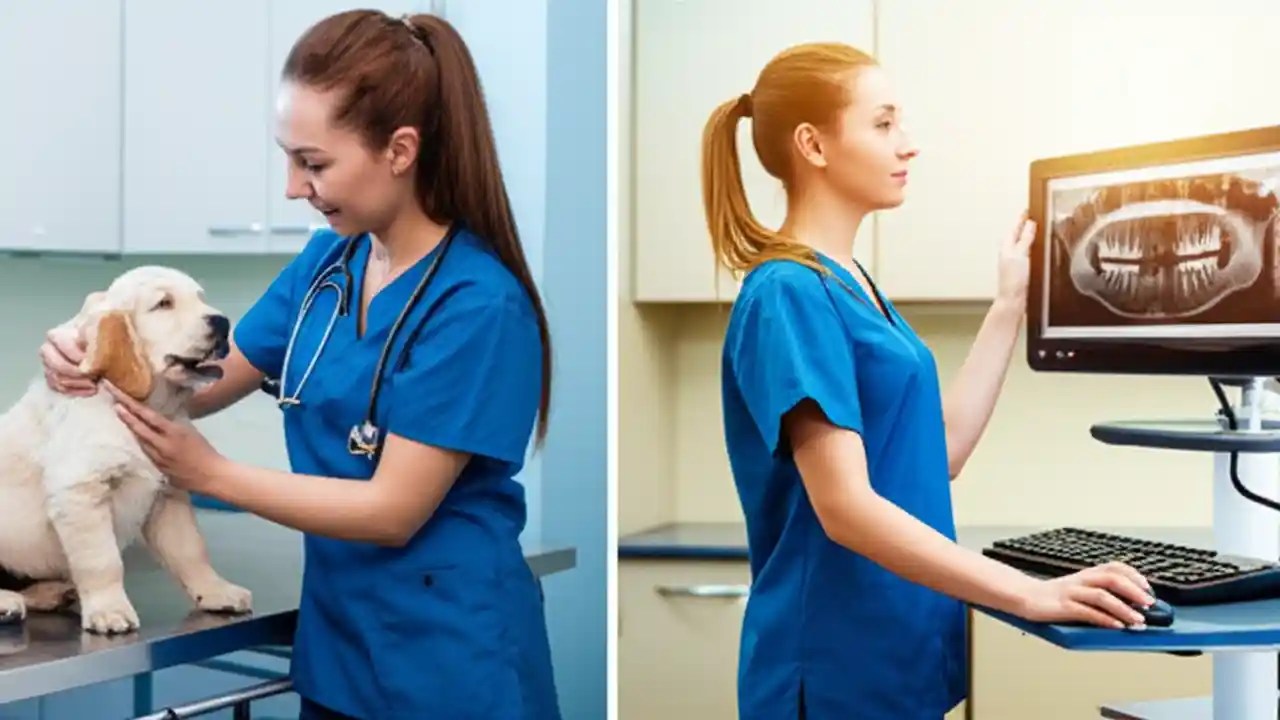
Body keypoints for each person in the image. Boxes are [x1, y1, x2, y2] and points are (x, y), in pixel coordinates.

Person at [40, 10, 559, 720]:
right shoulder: (326, 267)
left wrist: (211, 474)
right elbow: (205, 380)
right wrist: (93, 358)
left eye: (313, 163)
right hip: (339, 649)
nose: (292, 187)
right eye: (289, 159)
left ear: (400, 150)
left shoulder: (477, 306)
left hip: (450, 663)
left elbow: (392, 511)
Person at [700, 42, 1157, 719]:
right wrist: (1030, 593)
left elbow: (933, 455)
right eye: (882, 124)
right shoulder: (788, 292)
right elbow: (846, 505)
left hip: (898, 660)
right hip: (832, 673)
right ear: (813, 145)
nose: (907, 145)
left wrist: (1009, 306)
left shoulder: (851, 286)